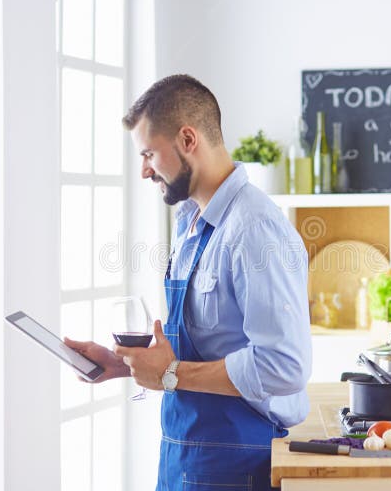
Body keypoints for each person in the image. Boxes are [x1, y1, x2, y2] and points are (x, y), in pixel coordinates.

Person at [64, 74, 311, 491]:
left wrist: (173, 374)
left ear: (188, 140)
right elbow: (215, 342)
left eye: (148, 154)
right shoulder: (190, 223)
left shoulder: (254, 228)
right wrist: (125, 364)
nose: (144, 171)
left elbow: (285, 366)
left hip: (238, 466)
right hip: (184, 459)